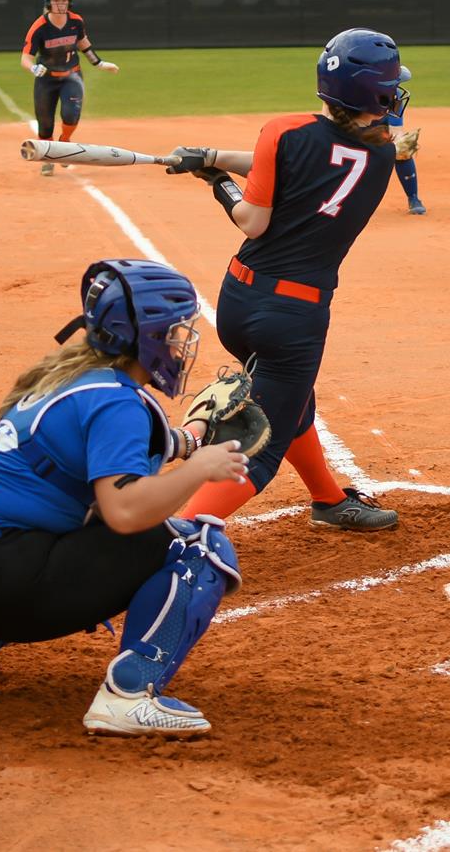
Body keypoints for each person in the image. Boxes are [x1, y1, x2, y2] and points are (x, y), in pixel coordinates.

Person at [0, 260, 249, 736]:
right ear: (147, 336)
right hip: (0, 584)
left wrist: (193, 438)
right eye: (175, 331)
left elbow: (110, 450)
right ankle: (129, 696)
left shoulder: (67, 378)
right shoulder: (117, 402)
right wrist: (199, 468)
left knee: (64, 517)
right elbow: (123, 511)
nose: (181, 343)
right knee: (196, 546)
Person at [162, 28, 406, 532]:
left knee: (294, 404)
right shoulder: (383, 156)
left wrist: (220, 182)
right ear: (374, 96)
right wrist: (212, 160)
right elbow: (311, 162)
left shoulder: (284, 130)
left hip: (238, 300)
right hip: (292, 318)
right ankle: (171, 540)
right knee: (263, 447)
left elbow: (252, 216)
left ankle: (329, 500)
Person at [21, 0, 118, 176]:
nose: (60, 4)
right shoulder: (39, 26)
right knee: (45, 122)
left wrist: (98, 63)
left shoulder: (76, 21)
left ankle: (64, 144)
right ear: (48, 3)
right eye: (56, 0)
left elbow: (83, 43)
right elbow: (25, 57)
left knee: (71, 114)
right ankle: (47, 158)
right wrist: (34, 68)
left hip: (71, 76)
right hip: (46, 79)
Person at [385, 65, 426, 216]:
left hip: (376, 128)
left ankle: (413, 198)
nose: (397, 86)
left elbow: (395, 129)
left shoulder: (395, 96)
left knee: (402, 148)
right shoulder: (356, 96)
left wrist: (397, 143)